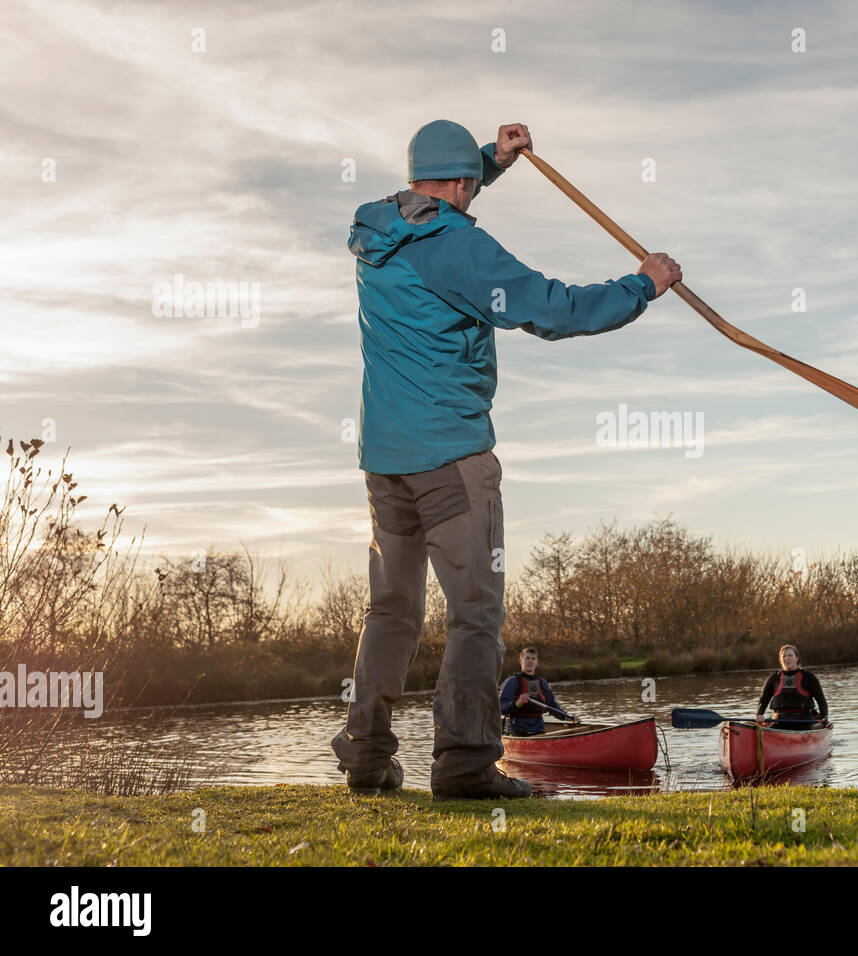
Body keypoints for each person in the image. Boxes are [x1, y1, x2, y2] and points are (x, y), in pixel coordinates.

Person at [331, 120, 682, 799]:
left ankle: (367, 756)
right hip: (452, 459)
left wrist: (493, 160)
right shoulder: (461, 248)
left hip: (384, 461)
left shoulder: (375, 229)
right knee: (473, 615)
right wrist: (643, 285)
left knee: (391, 612)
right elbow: (553, 309)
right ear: (459, 187)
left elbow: (436, 204)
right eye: (471, 184)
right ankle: (463, 766)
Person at [500, 647, 574, 736]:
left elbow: (552, 706)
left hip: (539, 730)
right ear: (521, 661)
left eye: (533, 658)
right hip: (518, 731)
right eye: (527, 658)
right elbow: (501, 708)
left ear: (536, 662)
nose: (530, 661)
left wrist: (568, 717)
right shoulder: (513, 681)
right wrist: (518, 703)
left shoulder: (542, 682)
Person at [756, 645, 828, 729]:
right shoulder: (774, 678)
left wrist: (824, 718)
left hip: (804, 721)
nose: (787, 658)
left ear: (797, 658)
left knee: (816, 726)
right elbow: (763, 700)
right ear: (781, 659)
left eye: (790, 655)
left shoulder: (809, 677)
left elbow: (821, 701)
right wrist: (759, 714)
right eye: (784, 656)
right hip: (779, 721)